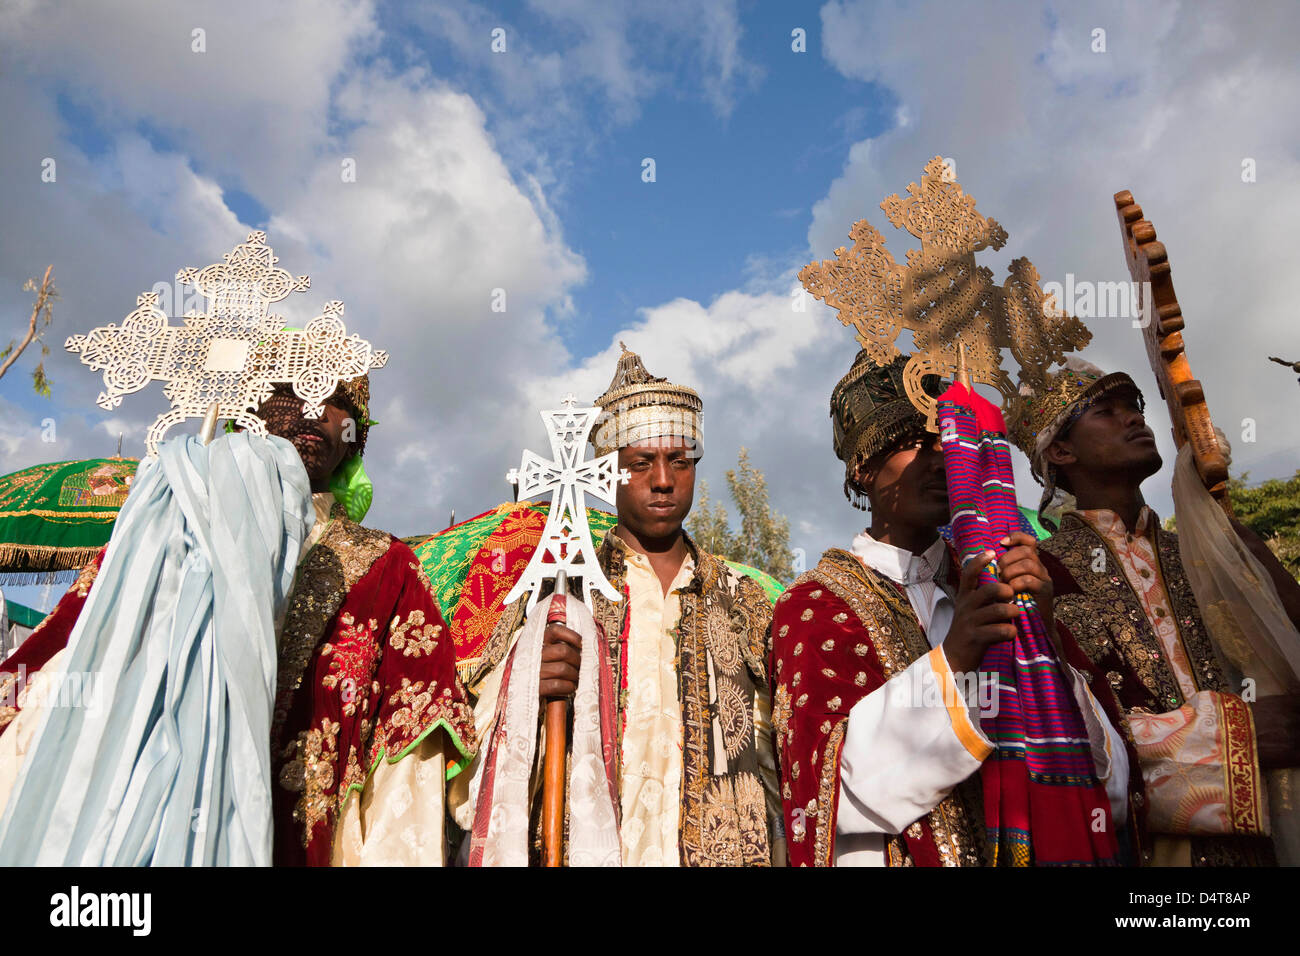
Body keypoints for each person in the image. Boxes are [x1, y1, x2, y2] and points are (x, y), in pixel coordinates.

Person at [0, 372, 474, 866]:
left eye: (337, 401)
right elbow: (52, 674)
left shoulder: (384, 568)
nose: (315, 409)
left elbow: (410, 751)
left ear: (353, 441)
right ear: (249, 412)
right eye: (291, 390)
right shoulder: (159, 532)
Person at [771, 353, 1132, 866]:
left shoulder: (1005, 579)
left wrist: (1042, 641)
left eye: (947, 439)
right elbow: (828, 794)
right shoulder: (815, 605)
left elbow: (1111, 783)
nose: (940, 457)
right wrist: (958, 655)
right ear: (864, 466)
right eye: (915, 443)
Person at [453, 346, 782, 865]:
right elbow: (470, 734)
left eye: (680, 461)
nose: (663, 480)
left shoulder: (743, 600)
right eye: (640, 464)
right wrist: (527, 684)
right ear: (608, 473)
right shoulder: (561, 589)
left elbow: (779, 756)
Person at [1010, 358, 1300, 866]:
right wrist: (1239, 735)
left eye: (1136, 407)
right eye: (1106, 411)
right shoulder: (1041, 576)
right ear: (1060, 449)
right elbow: (1055, 738)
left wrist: (1227, 535)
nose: (1133, 419)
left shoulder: (1201, 554)